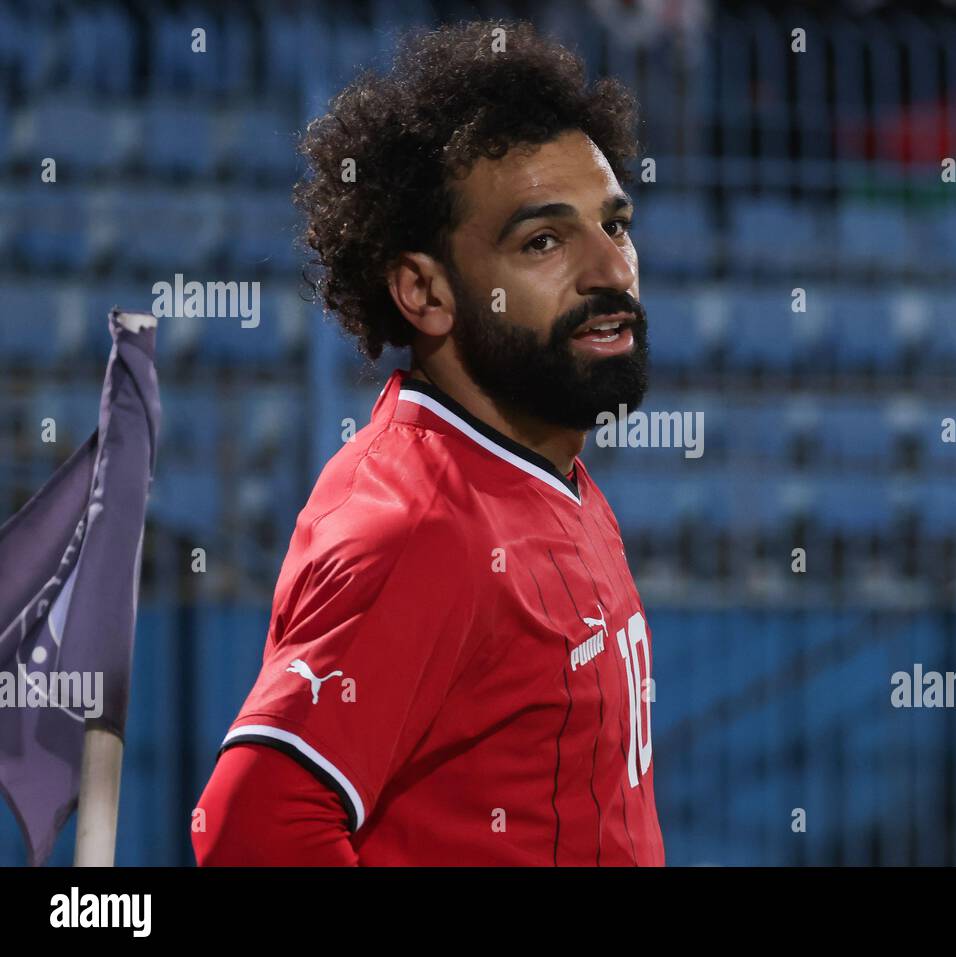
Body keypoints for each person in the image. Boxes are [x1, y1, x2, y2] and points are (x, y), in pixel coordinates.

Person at [192, 18, 663, 866]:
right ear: (424, 291)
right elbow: (250, 828)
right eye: (544, 241)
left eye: (615, 226)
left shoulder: (546, 470)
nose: (610, 271)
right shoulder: (420, 526)